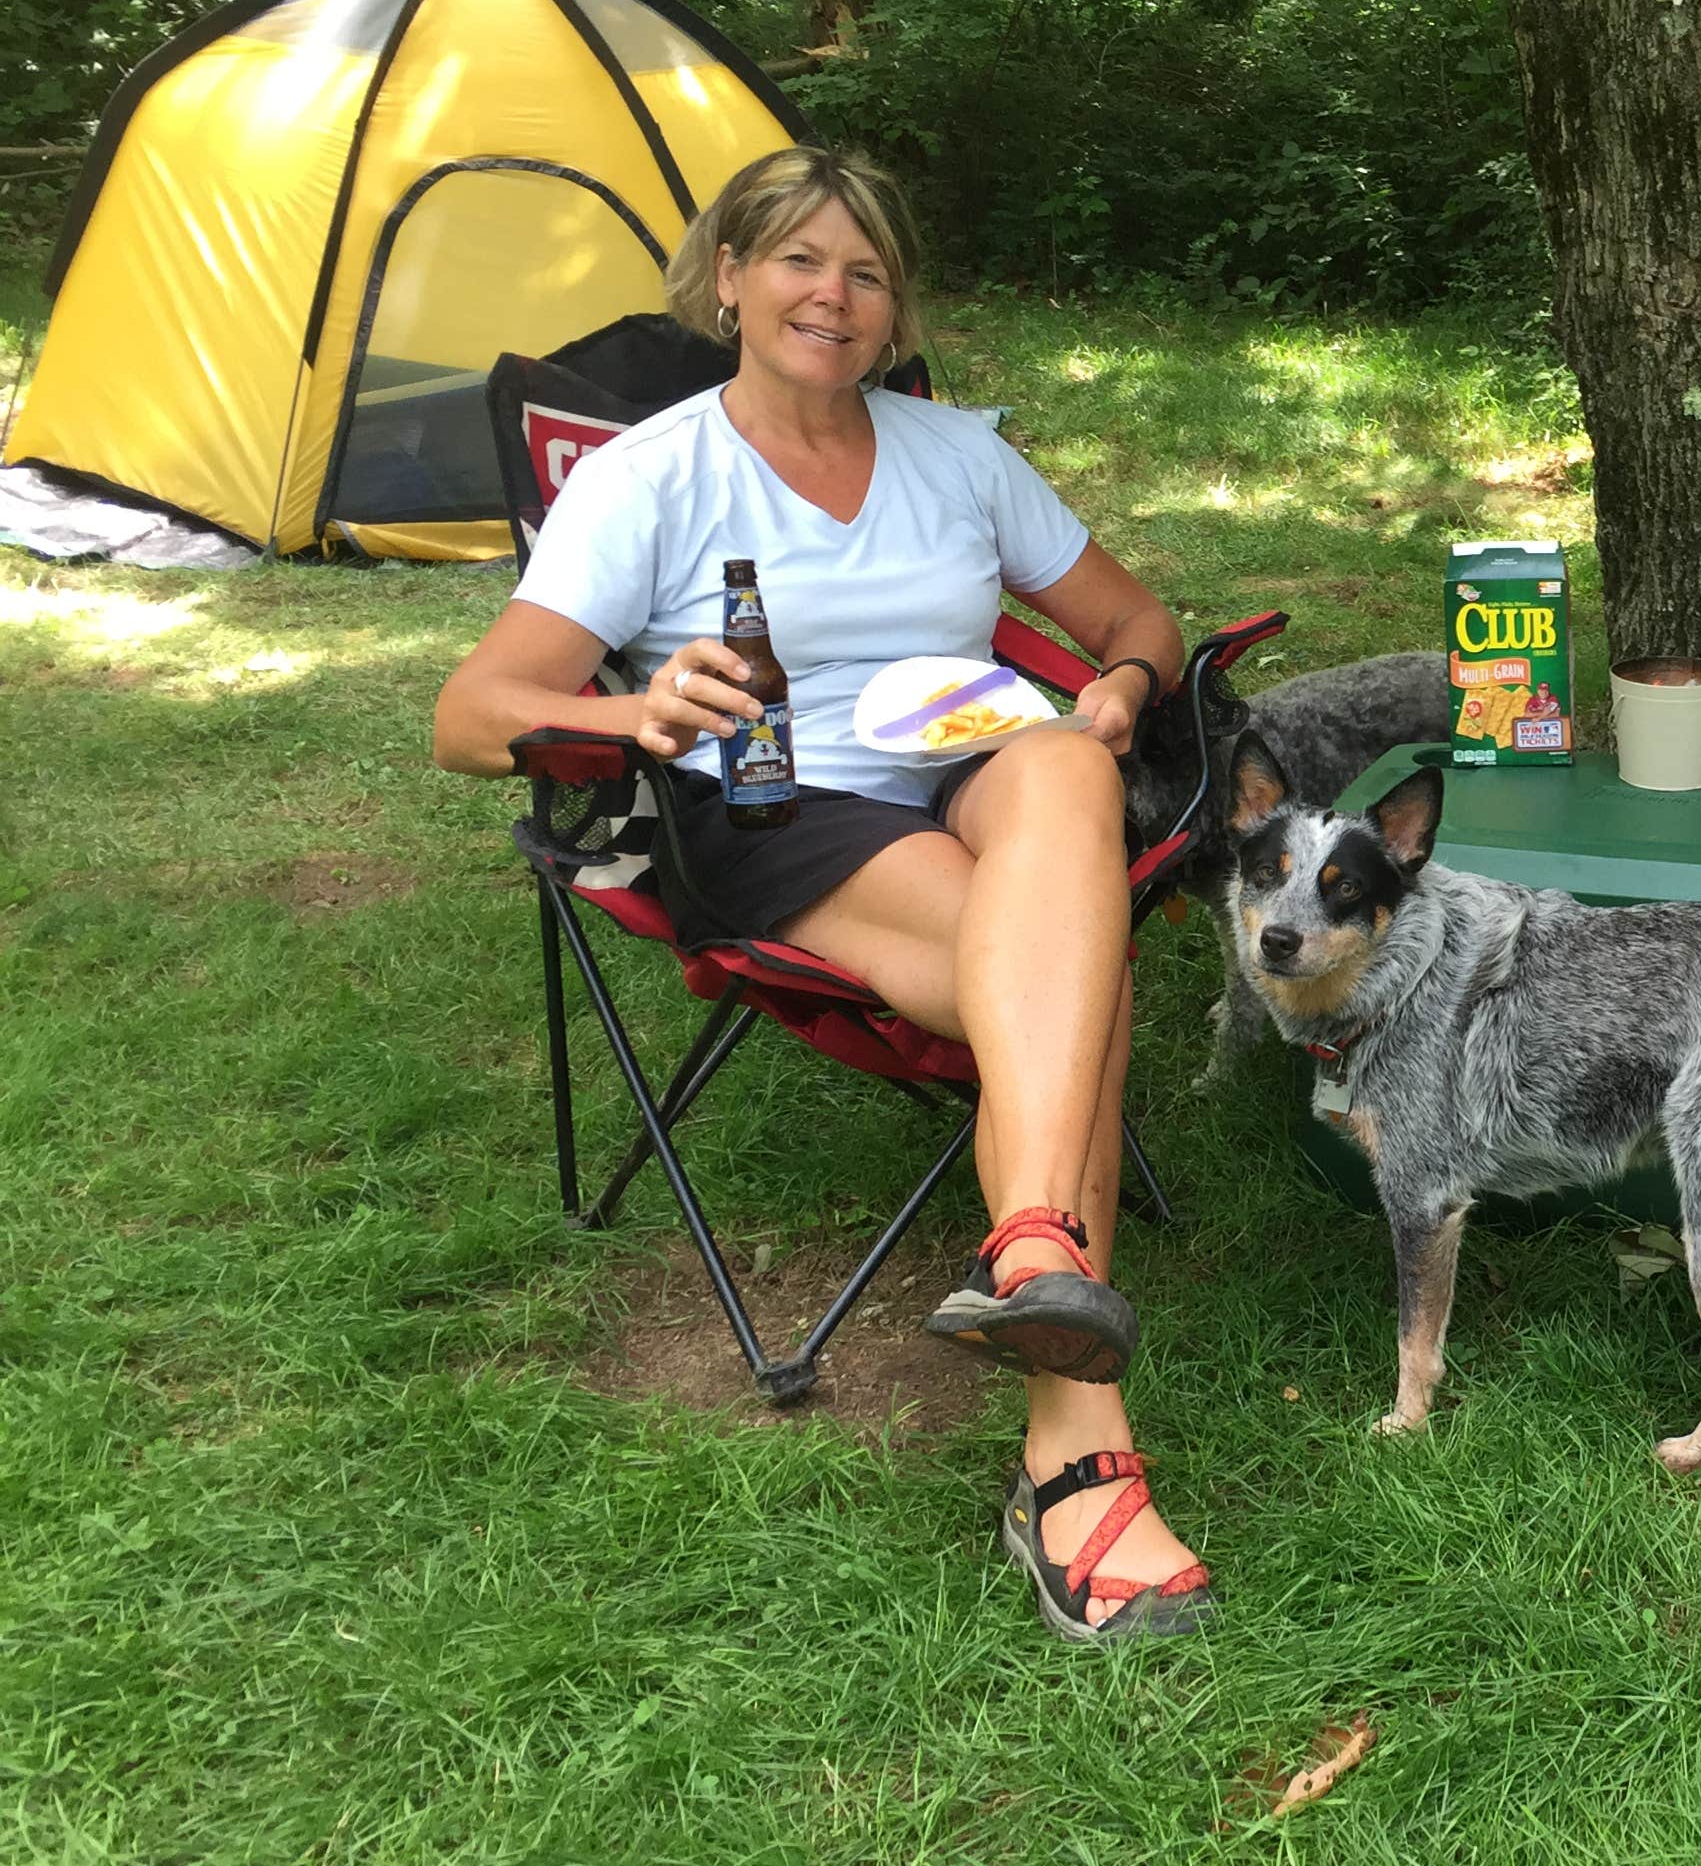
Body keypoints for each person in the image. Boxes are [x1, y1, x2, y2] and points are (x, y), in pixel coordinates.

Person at [435, 146, 1206, 1643]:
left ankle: (1037, 1263)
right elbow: (473, 714)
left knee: (1061, 772)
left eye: (863, 272)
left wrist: (1112, 693)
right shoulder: (650, 476)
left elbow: (1135, 619)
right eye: (797, 260)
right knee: (1076, 970)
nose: (831, 297)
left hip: (979, 772)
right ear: (727, 276)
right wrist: (639, 710)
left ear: (893, 303)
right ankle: (1074, 1451)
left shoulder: (954, 452)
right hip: (782, 803)